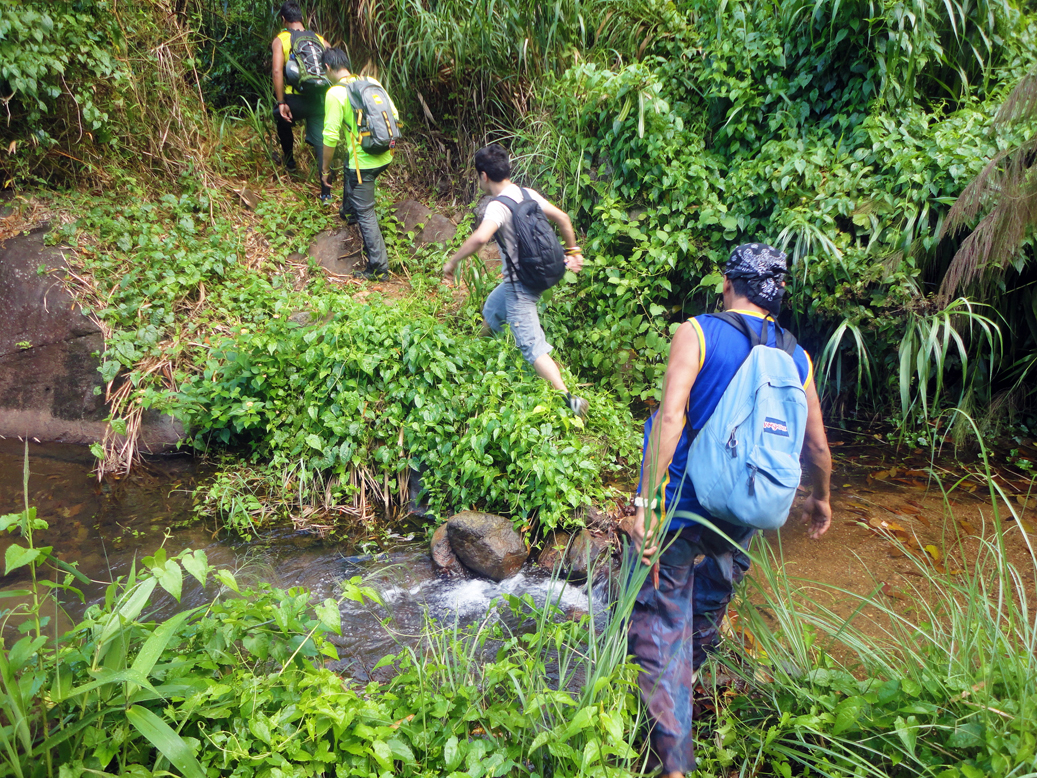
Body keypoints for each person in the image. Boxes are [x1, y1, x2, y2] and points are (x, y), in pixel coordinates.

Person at [628, 243, 833, 778]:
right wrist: (821, 498)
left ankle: (674, 758)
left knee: (660, 616)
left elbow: (670, 420)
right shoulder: (797, 356)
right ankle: (689, 677)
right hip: (742, 513)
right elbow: (815, 447)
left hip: (682, 509)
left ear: (728, 283)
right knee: (710, 598)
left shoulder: (697, 332)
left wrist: (645, 504)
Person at [441, 144, 588, 416]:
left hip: (522, 284)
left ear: (484, 176)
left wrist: (453, 261)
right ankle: (474, 354)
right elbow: (563, 218)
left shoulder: (498, 207)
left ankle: (570, 401)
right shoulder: (526, 193)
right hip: (538, 273)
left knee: (532, 347)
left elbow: (481, 238)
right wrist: (573, 252)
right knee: (494, 308)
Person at [320, 48, 396, 280]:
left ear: (327, 68)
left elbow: (330, 137)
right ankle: (348, 211)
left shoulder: (335, 93)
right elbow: (394, 115)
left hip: (364, 165)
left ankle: (379, 268)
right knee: (349, 164)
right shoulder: (371, 82)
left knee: (367, 212)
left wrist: (324, 169)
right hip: (385, 154)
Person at [270, 1, 330, 201]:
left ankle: (290, 162)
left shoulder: (281, 39)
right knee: (321, 142)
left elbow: (277, 71)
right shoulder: (319, 39)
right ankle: (326, 192)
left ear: (283, 19)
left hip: (294, 100)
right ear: (302, 18)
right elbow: (333, 66)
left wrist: (281, 102)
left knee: (281, 117)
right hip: (318, 99)